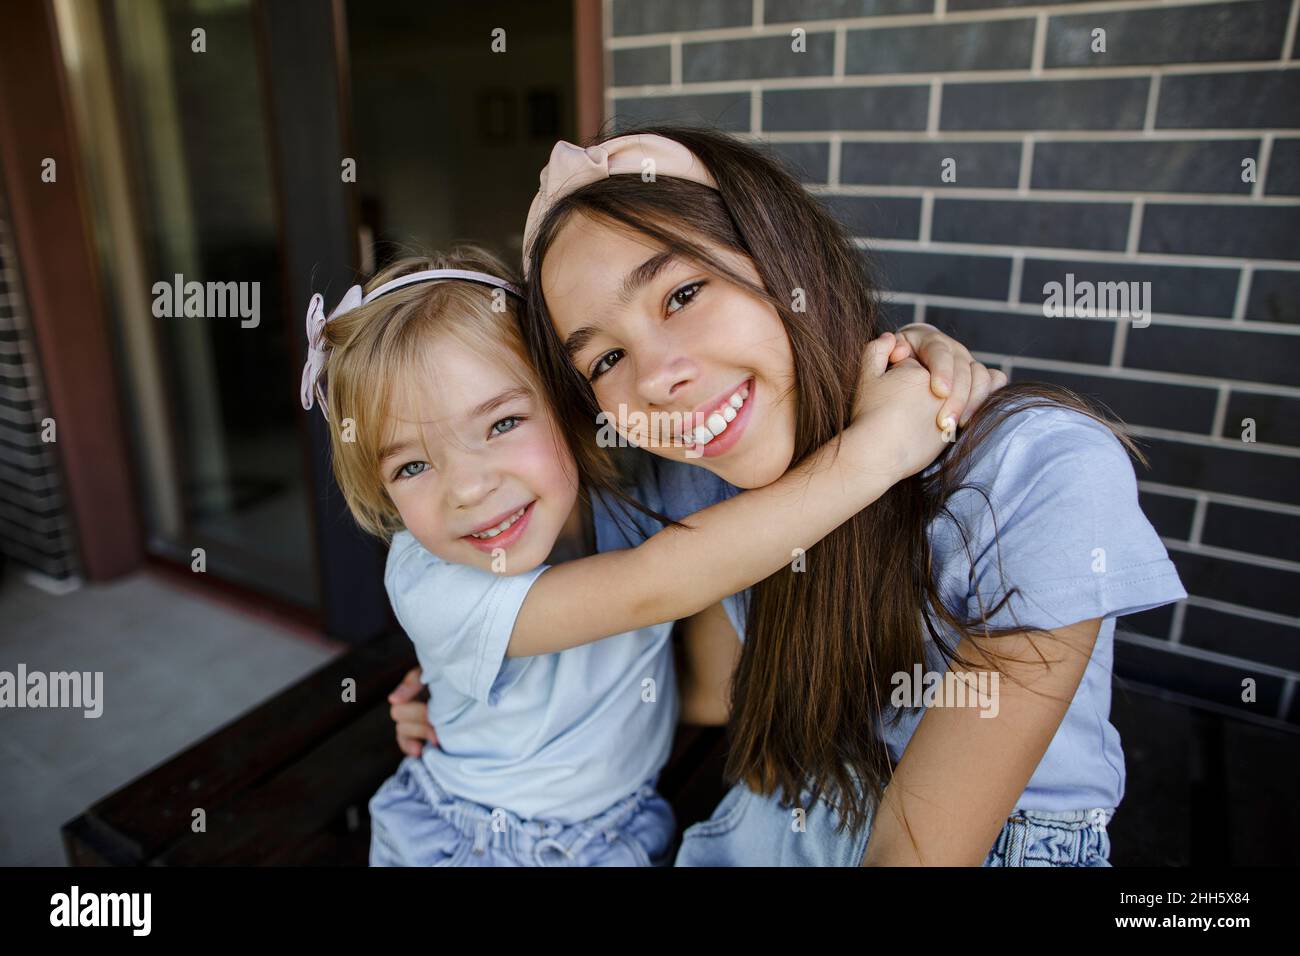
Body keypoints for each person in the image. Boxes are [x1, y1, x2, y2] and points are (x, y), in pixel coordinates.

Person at [303, 245, 991, 866]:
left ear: (570, 405)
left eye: (503, 423)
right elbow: (655, 584)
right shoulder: (430, 582)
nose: (469, 487)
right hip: (482, 842)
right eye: (412, 467)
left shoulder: (630, 491)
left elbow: (753, 435)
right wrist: (875, 454)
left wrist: (912, 352)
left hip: (625, 829)